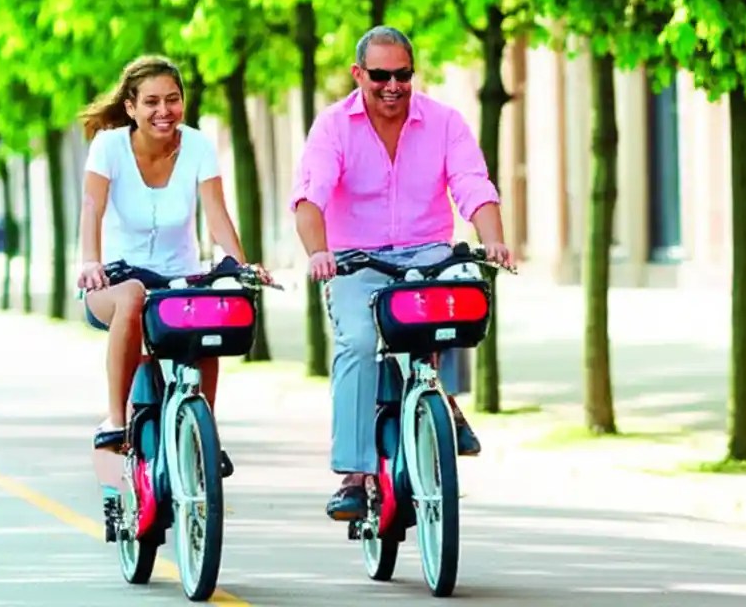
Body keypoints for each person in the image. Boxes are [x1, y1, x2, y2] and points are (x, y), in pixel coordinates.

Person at [289, 26, 514, 521]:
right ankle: (353, 473)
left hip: (426, 254)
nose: (393, 85)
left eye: (403, 75)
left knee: (449, 312)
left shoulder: (444, 122)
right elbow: (311, 195)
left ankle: (438, 396)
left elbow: (472, 182)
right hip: (354, 259)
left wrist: (493, 239)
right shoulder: (332, 126)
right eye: (380, 76)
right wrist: (318, 252)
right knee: (356, 345)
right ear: (358, 74)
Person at [76, 55, 268, 476]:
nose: (164, 111)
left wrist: (240, 263)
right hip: (114, 279)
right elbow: (93, 205)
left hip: (179, 278)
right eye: (151, 102)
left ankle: (205, 432)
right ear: (130, 107)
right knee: (132, 296)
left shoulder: (197, 145)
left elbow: (216, 212)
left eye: (173, 100)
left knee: (211, 306)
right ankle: (116, 418)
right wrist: (90, 260)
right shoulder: (109, 146)